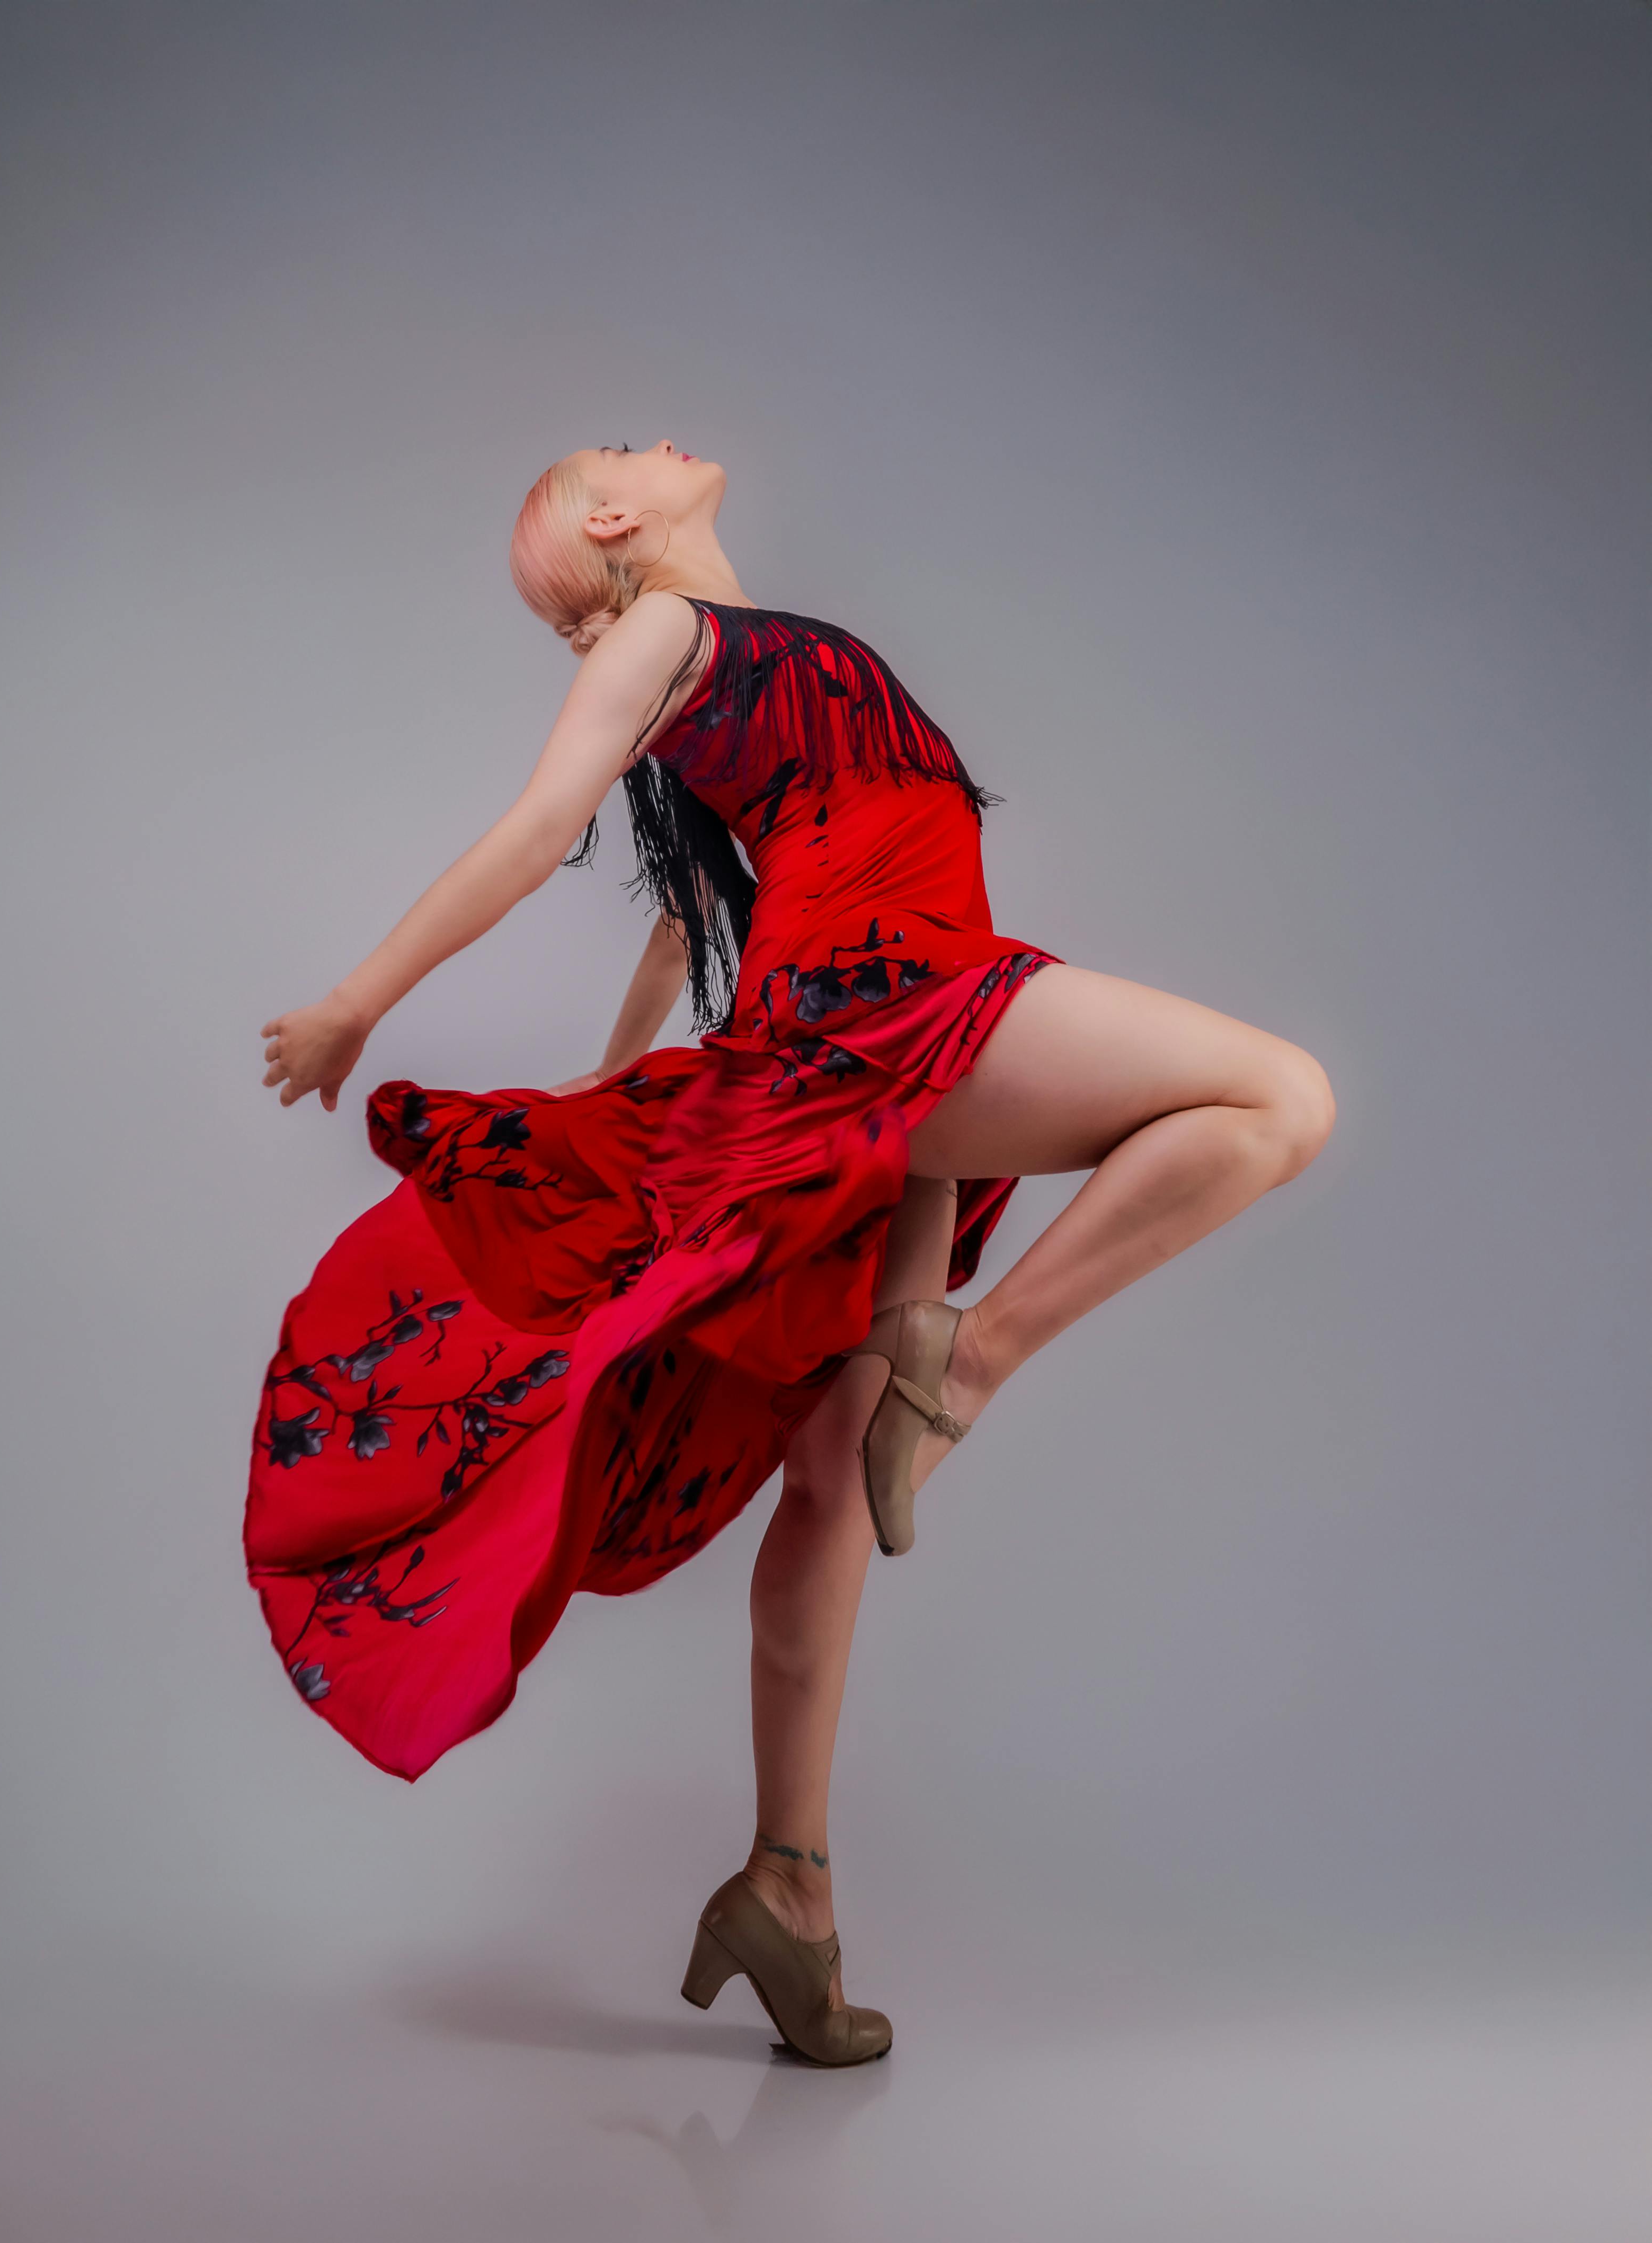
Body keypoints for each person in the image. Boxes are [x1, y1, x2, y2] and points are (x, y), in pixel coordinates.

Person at [250, 437, 1336, 2066]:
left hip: (878, 1028)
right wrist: (360, 996)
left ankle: (790, 1888)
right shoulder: (660, 636)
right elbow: (546, 826)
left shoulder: (734, 665)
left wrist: (622, 1076)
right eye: (616, 451)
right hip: (884, 1017)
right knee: (1277, 1094)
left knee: (830, 1478)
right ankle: (961, 1360)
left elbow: (697, 919)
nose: (652, 442)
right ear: (617, 519)